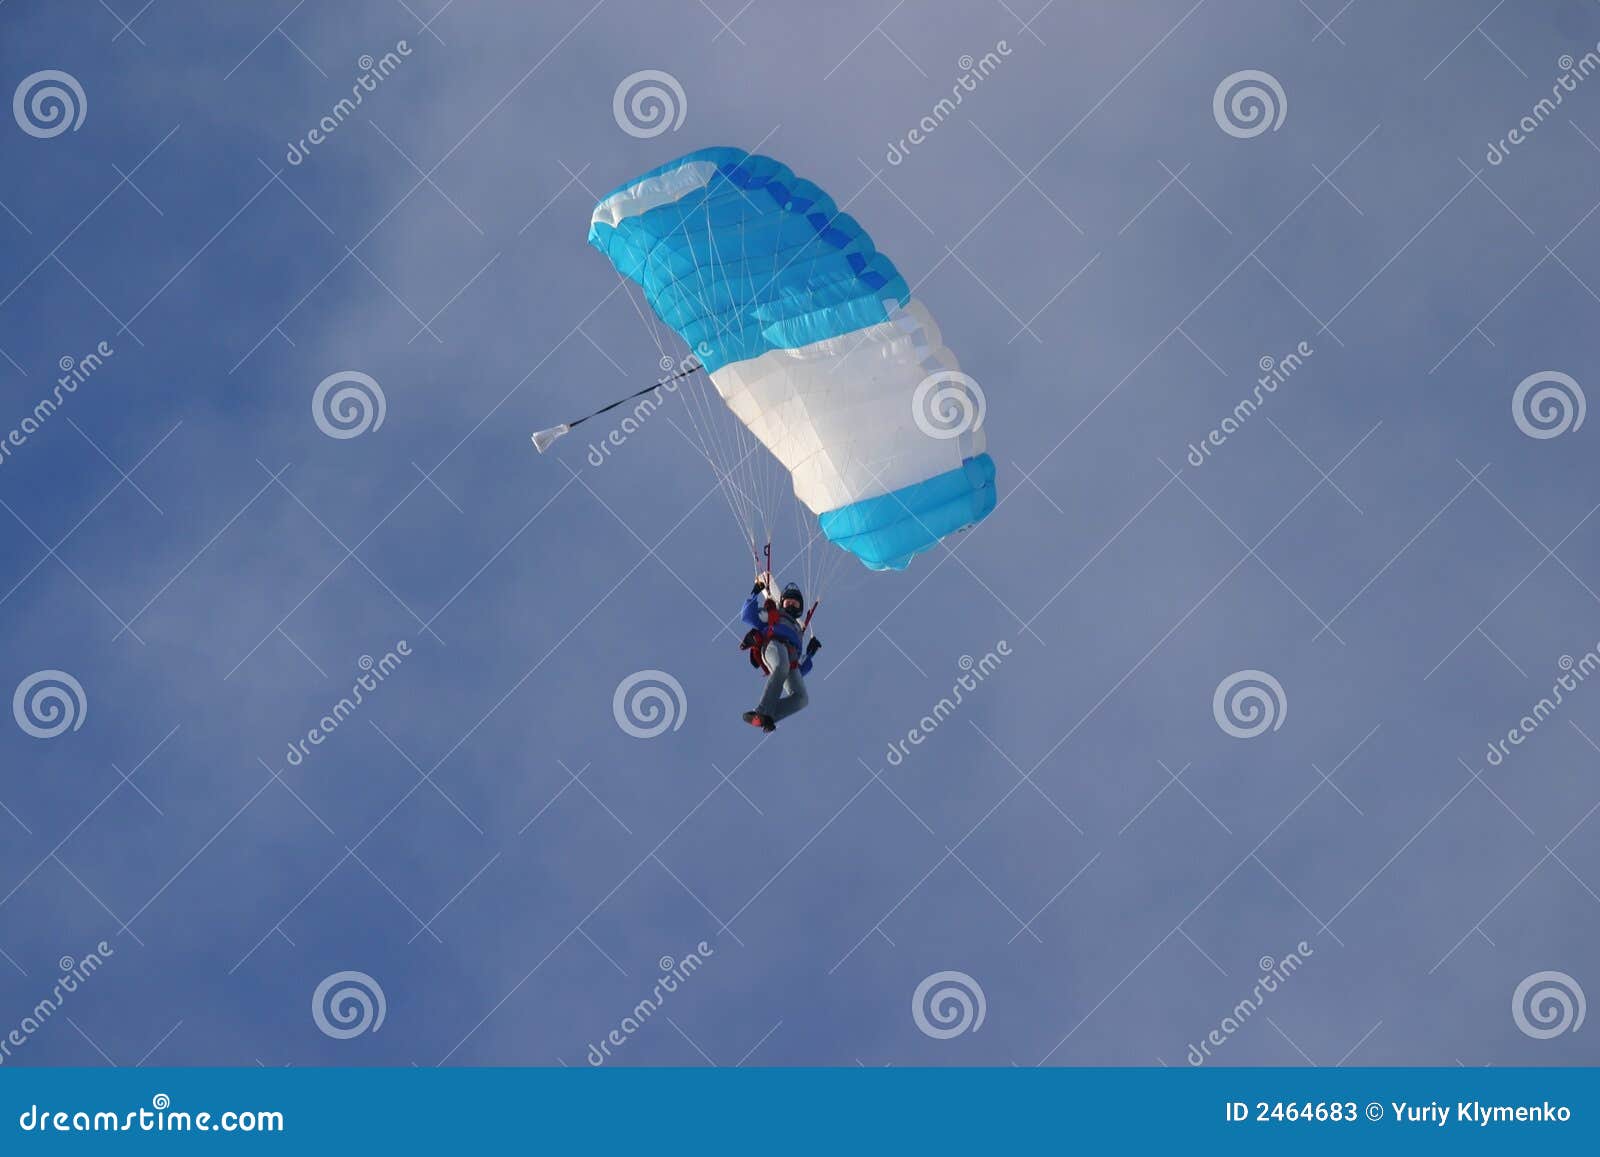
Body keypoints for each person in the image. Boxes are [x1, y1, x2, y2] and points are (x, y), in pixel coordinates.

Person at [739, 573, 821, 732]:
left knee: (802, 698)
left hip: (790, 658)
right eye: (788, 601)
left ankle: (767, 718)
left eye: (795, 604)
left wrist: (810, 653)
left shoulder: (798, 631)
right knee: (781, 666)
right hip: (773, 645)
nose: (791, 605)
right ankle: (761, 710)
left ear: (799, 609)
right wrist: (755, 592)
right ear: (782, 603)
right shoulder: (773, 615)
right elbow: (747, 615)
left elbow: (799, 669)